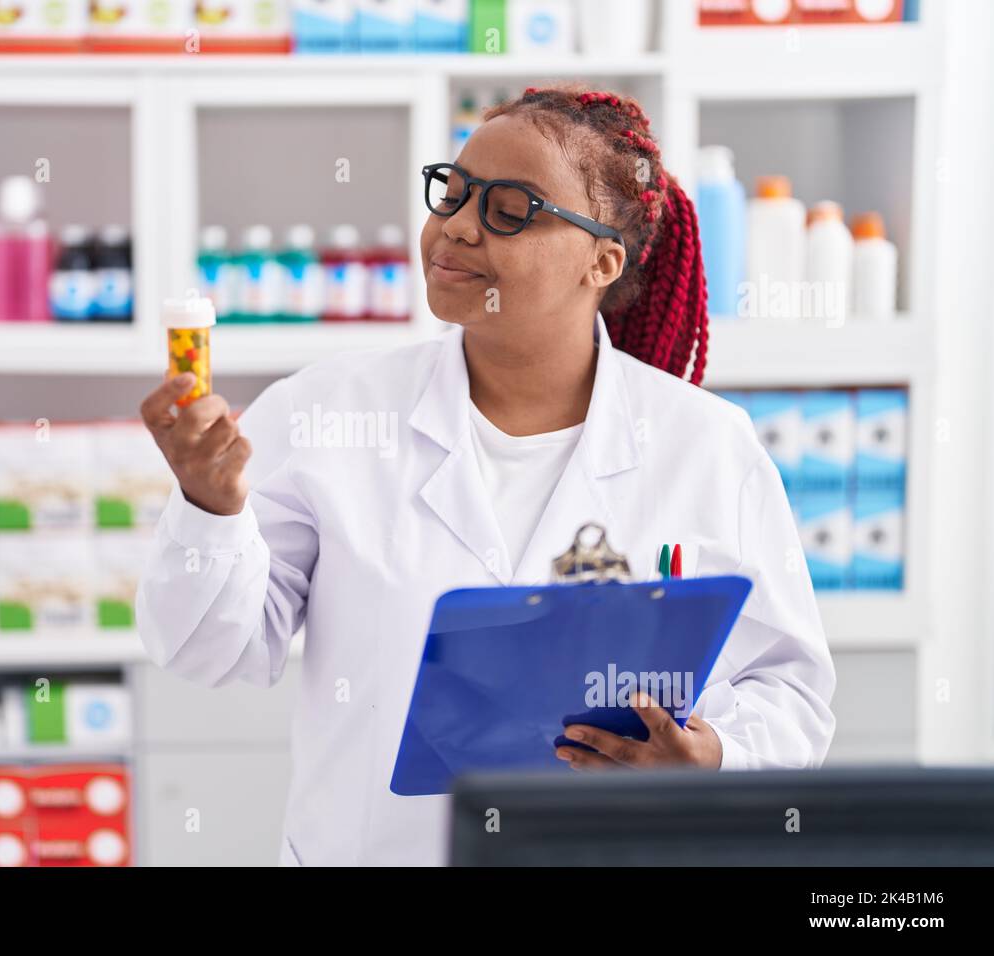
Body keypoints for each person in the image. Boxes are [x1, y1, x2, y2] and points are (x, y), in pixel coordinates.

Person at [137, 84, 836, 866]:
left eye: (512, 208)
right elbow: (206, 649)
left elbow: (792, 695)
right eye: (456, 191)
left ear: (602, 260)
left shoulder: (708, 447)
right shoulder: (324, 413)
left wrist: (714, 759)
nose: (458, 227)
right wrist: (209, 507)